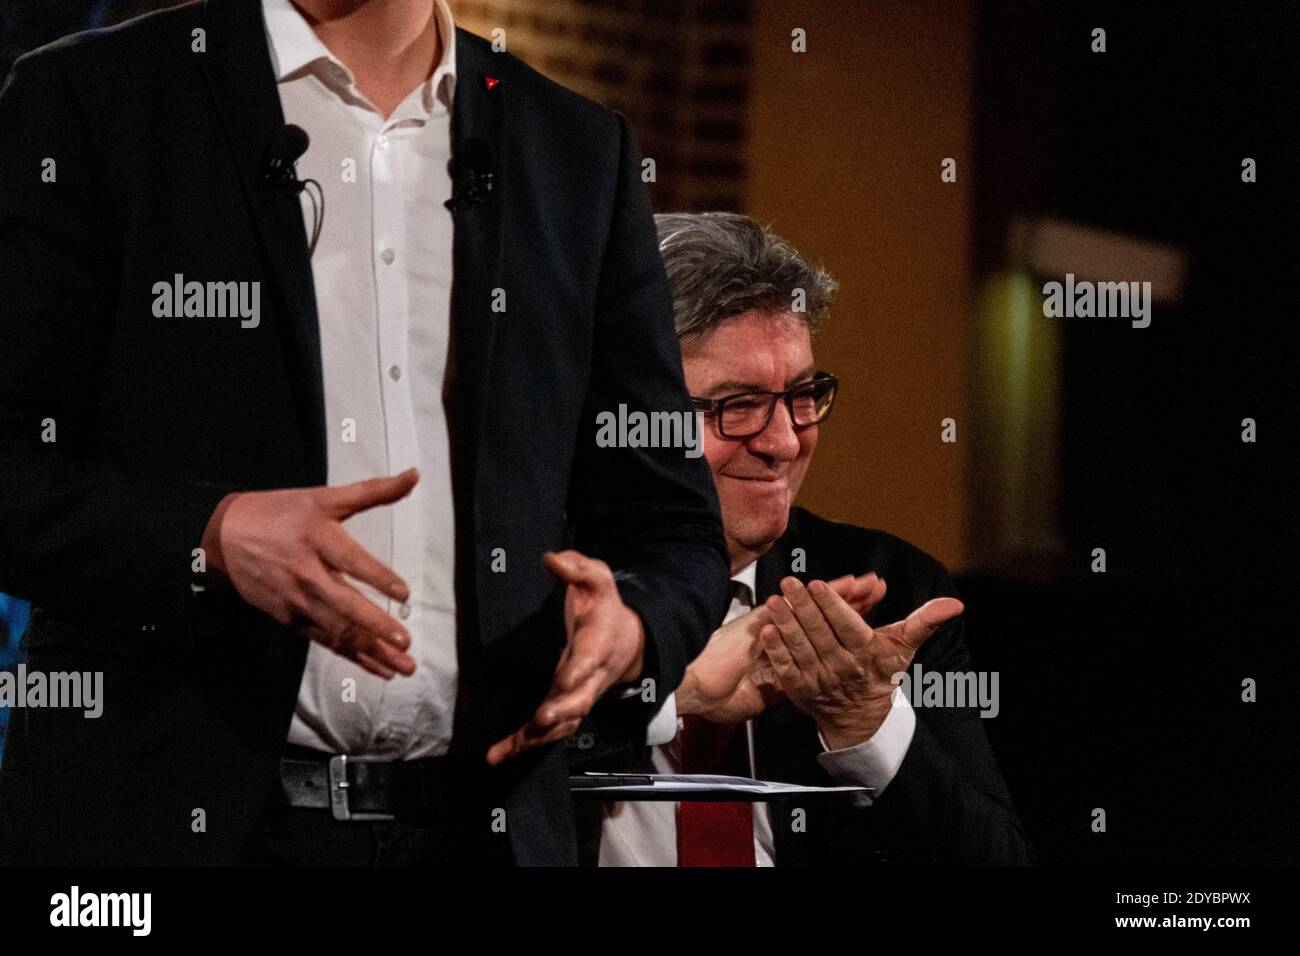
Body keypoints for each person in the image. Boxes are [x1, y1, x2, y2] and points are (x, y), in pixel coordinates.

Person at [0, 0, 729, 866]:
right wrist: (210, 537)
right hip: (171, 828)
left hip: (483, 835)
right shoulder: (92, 100)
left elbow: (674, 530)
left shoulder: (576, 150)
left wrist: (630, 628)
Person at [581, 212, 1034, 866]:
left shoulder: (891, 594)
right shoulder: (540, 585)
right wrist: (673, 693)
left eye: (802, 394)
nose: (785, 442)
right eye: (736, 405)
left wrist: (866, 728)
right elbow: (477, 779)